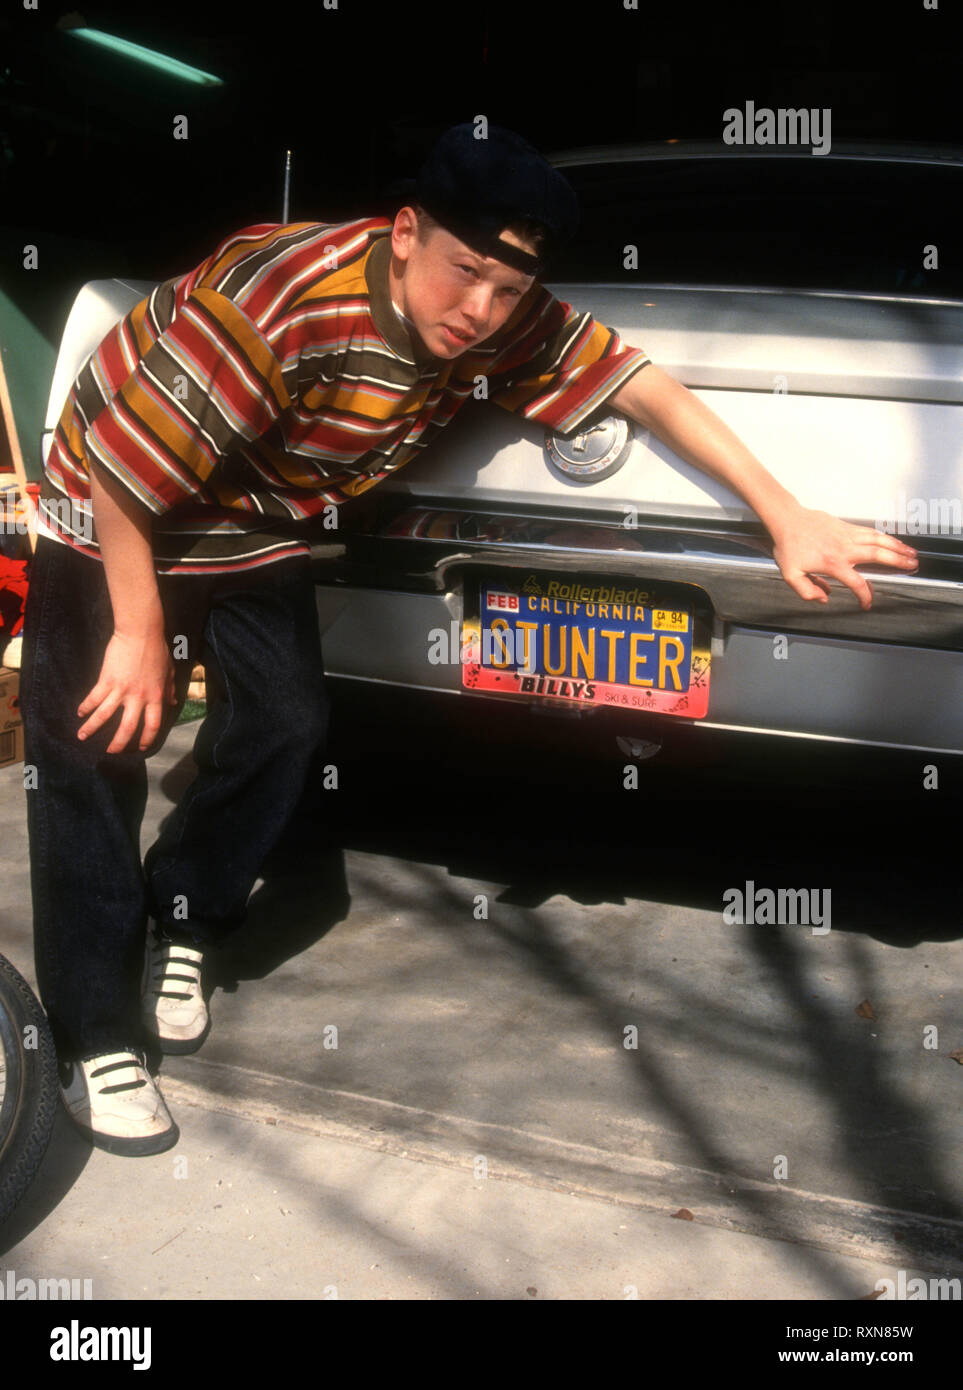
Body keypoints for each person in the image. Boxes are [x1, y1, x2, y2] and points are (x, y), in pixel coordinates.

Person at [18, 122, 918, 1157]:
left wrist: (784, 513)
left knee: (285, 722)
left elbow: (644, 388)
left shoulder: (504, 316)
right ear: (405, 232)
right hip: (116, 499)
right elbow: (133, 465)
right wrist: (137, 632)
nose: (481, 311)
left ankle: (181, 911)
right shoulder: (282, 302)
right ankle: (92, 1035)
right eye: (466, 273)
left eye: (510, 288)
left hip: (258, 512)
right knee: (95, 746)